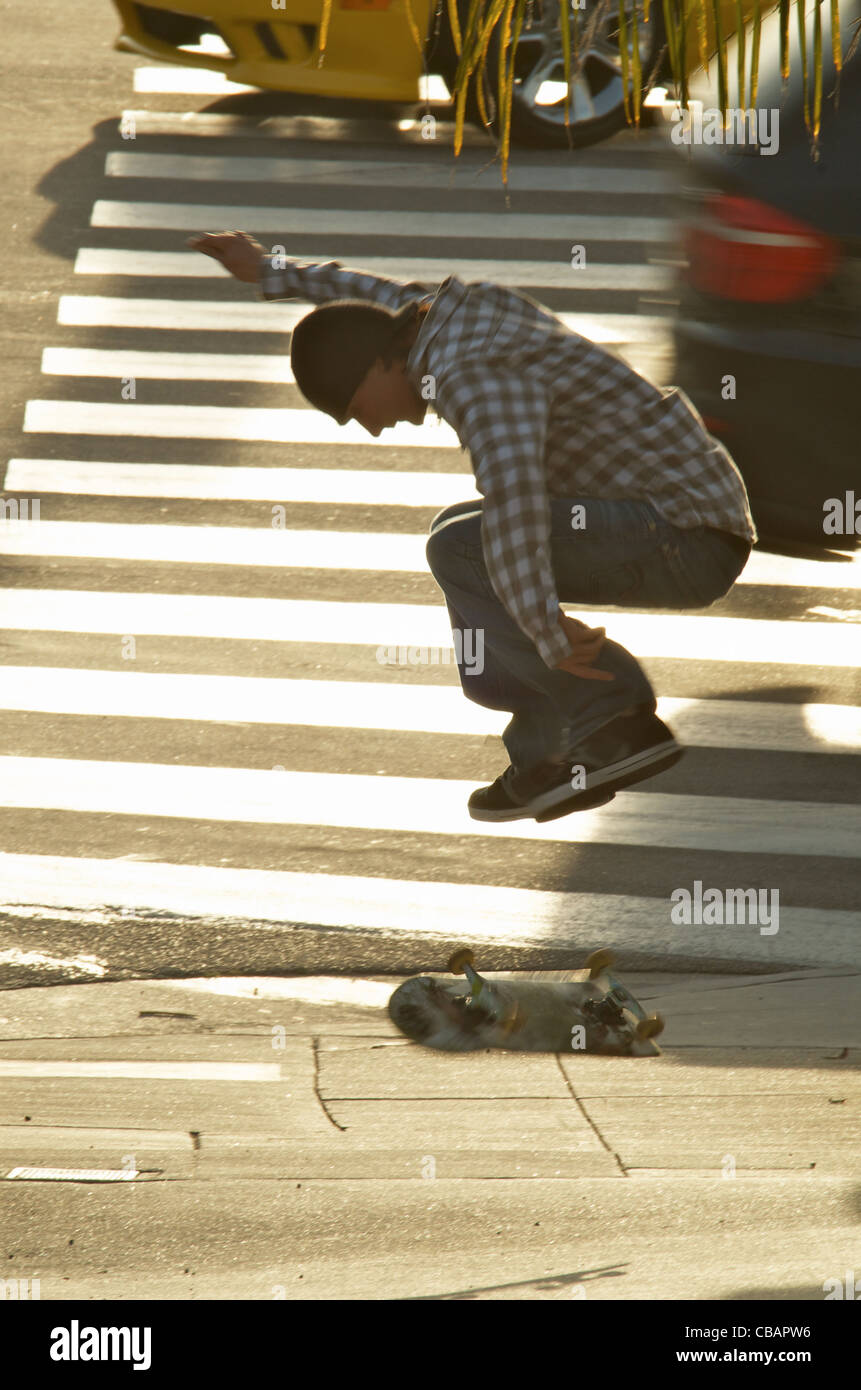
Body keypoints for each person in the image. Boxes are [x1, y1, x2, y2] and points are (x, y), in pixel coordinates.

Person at [189, 231, 756, 824]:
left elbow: (517, 501)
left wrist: (545, 629)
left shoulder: (471, 376)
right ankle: (549, 751)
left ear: (382, 363)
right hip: (674, 513)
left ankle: (614, 717)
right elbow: (374, 298)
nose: (374, 430)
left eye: (359, 409)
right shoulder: (445, 320)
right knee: (457, 536)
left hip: (685, 533)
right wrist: (270, 271)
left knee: (462, 548)